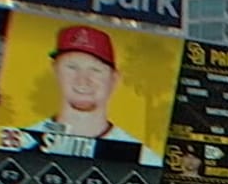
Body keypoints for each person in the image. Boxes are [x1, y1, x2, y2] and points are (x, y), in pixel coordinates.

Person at [26, 26, 162, 167]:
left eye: (96, 70)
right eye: (72, 67)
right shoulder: (23, 142)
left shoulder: (142, 158)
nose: (83, 80)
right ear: (55, 70)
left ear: (114, 79)